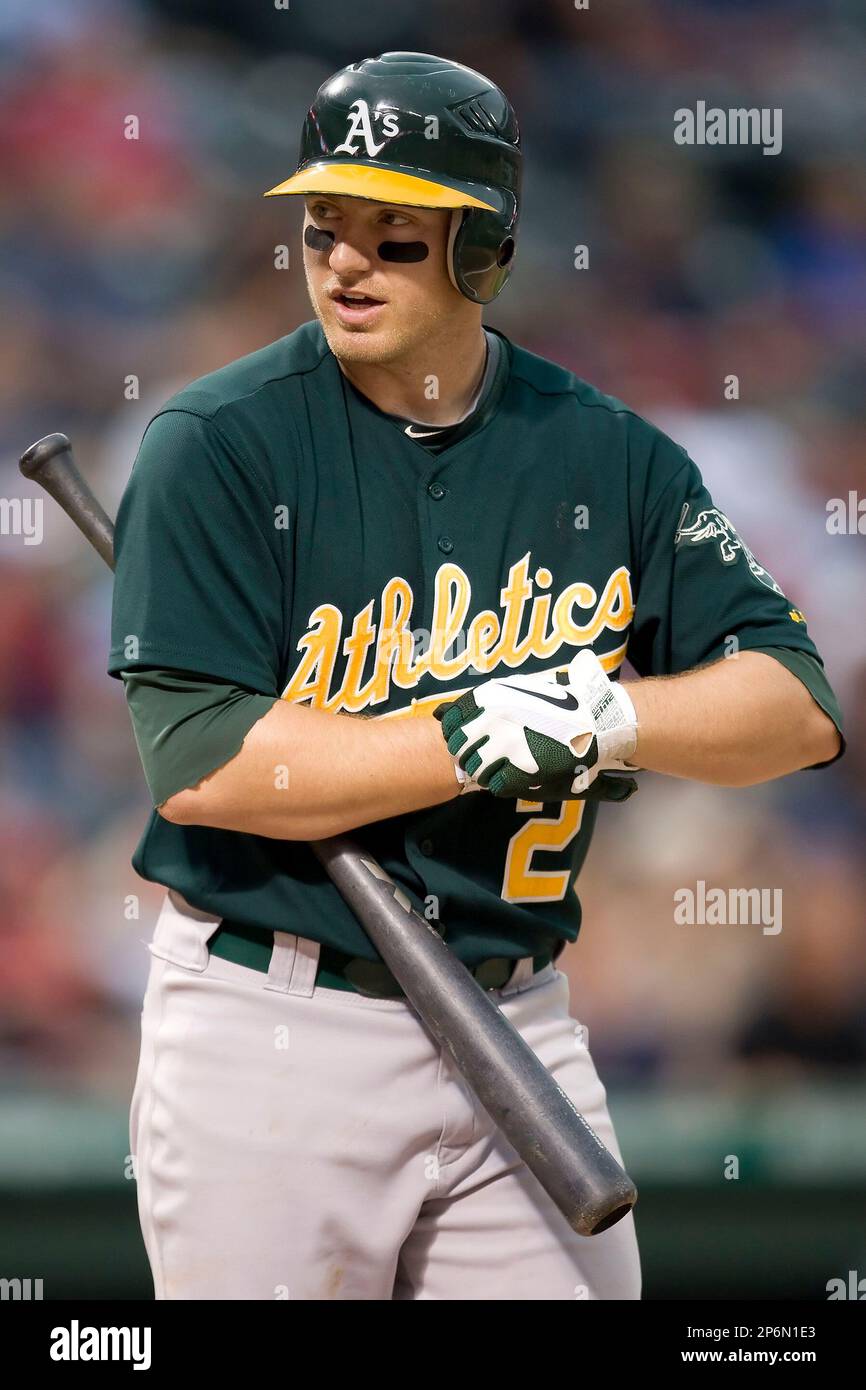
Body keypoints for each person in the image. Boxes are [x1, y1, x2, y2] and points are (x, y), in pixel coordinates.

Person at [110, 51, 843, 1300]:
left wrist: (597, 709)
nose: (343, 264)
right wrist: (477, 727)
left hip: (520, 1018)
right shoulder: (216, 445)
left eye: (394, 237)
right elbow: (208, 765)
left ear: (483, 251)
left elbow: (789, 709)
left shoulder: (609, 457)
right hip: (276, 1021)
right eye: (323, 228)